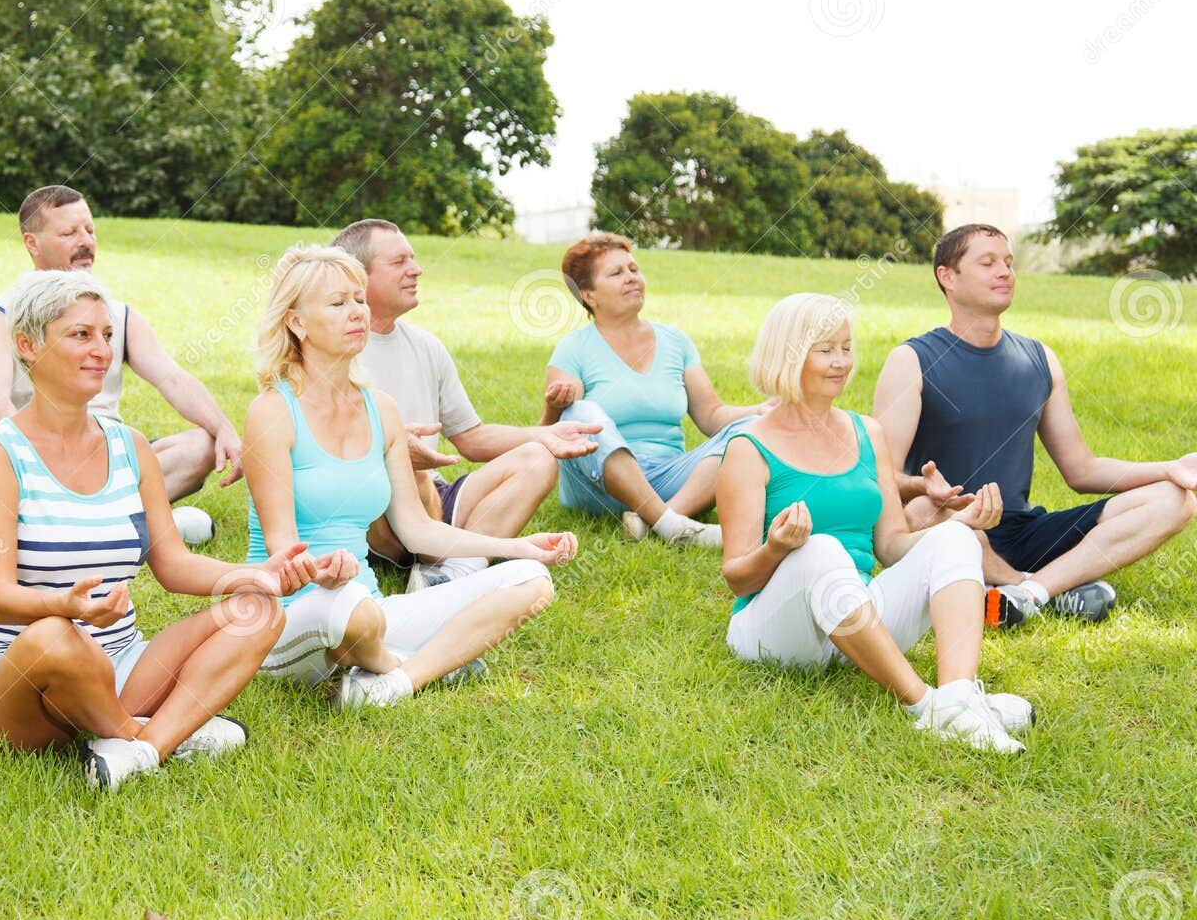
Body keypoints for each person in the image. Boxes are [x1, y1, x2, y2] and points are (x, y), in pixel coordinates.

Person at [0, 271, 325, 790]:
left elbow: (172, 564)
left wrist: (256, 574)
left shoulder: (130, 447)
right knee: (54, 639)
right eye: (80, 335)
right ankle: (138, 731)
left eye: (107, 336)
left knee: (257, 614)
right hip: (17, 678)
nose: (101, 350)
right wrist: (68, 608)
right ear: (27, 346)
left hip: (119, 663)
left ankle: (143, 749)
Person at [242, 245, 578, 710]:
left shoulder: (382, 409)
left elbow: (418, 528)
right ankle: (420, 660)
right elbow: (282, 551)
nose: (357, 312)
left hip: (369, 608)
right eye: (338, 303)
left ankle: (394, 682)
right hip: (293, 613)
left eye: (359, 299)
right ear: (297, 323)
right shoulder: (272, 412)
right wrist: (322, 572)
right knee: (353, 612)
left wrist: (517, 547)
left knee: (531, 579)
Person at [719, 294, 1034, 754]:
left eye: (846, 348)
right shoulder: (749, 446)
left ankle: (959, 696)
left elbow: (890, 545)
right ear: (787, 355)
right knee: (820, 549)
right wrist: (776, 548)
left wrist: (959, 523)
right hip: (775, 632)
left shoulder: (868, 433)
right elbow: (736, 576)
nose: (841, 361)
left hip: (854, 620)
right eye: (825, 349)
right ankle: (928, 707)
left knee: (954, 536)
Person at [872, 224, 1197, 627]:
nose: (1005, 272)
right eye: (988, 262)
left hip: (1024, 530)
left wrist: (1169, 469)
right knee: (920, 511)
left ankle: (1029, 592)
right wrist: (926, 488)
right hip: (953, 527)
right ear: (947, 277)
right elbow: (881, 477)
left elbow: (1081, 470)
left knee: (1175, 499)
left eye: (1008, 263)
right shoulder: (912, 360)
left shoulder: (1038, 358)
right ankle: (1046, 589)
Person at [331, 220, 601, 592]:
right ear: (357, 276)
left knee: (538, 459)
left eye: (414, 258)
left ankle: (451, 572)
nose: (416, 269)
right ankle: (446, 564)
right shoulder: (332, 349)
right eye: (399, 262)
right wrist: (389, 448)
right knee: (409, 468)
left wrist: (544, 433)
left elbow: (471, 438)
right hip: (371, 506)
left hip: (432, 498)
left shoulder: (427, 346)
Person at [0, 184, 240, 545]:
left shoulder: (119, 315)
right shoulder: (0, 316)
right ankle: (133, 522)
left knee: (201, 446)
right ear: (32, 243)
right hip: (39, 458)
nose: (85, 242)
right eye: (69, 233)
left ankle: (102, 520)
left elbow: (171, 377)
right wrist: (38, 460)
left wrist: (223, 428)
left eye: (90, 230)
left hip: (112, 456)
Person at [543, 232, 773, 547]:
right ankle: (670, 524)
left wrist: (760, 412)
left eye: (634, 269)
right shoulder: (573, 348)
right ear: (589, 295)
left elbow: (711, 415)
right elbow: (550, 438)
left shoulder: (675, 341)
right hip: (600, 489)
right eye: (616, 273)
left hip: (671, 480)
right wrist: (554, 408)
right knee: (580, 413)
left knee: (751, 430)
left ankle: (659, 519)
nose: (631, 278)